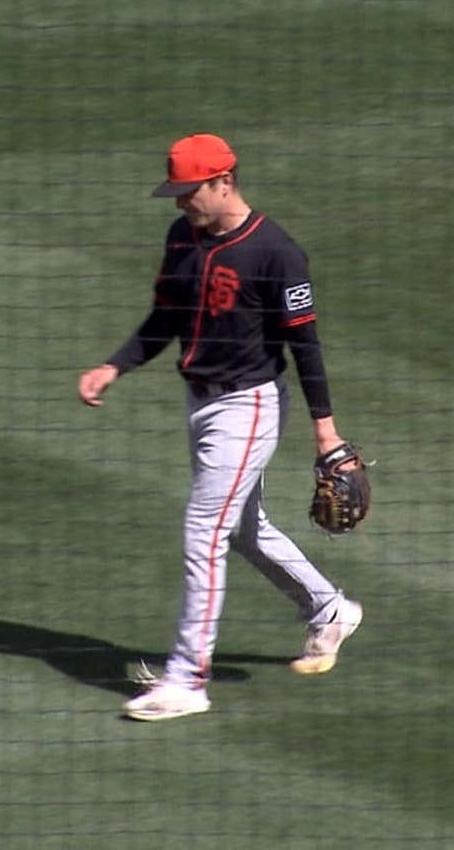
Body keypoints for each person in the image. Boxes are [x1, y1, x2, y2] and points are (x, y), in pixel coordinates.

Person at [77, 132, 363, 722]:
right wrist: (115, 364)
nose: (182, 204)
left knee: (203, 531)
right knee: (241, 528)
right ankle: (329, 609)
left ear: (224, 182)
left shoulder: (276, 252)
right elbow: (165, 316)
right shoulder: (182, 236)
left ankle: (187, 680)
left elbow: (303, 344)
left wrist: (326, 431)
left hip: (248, 407)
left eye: (191, 193)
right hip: (199, 403)